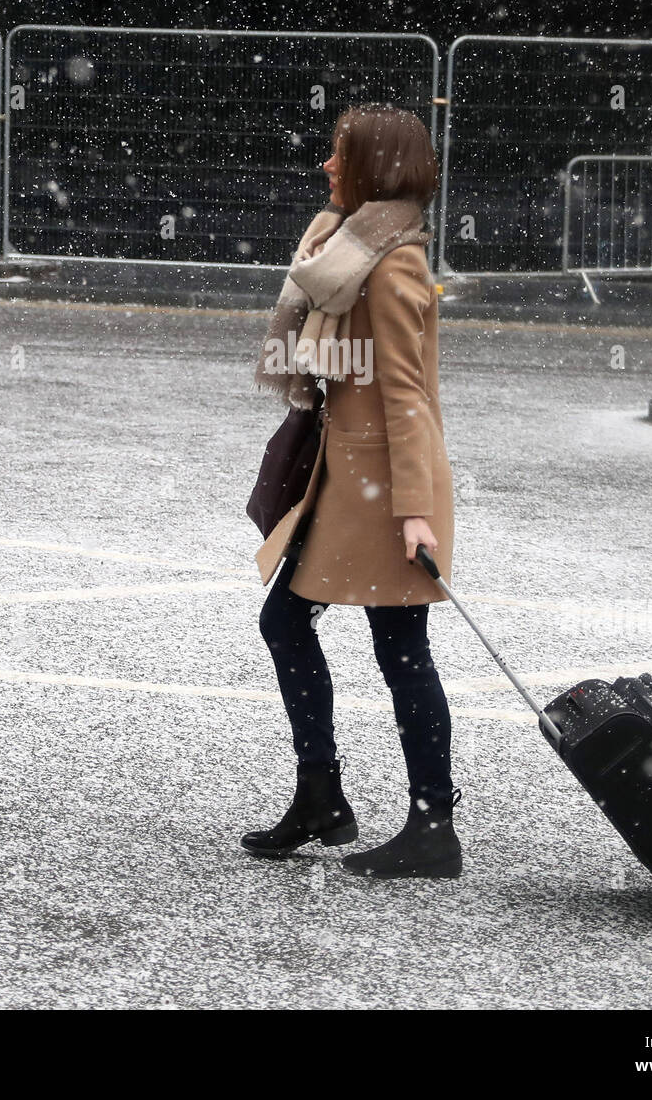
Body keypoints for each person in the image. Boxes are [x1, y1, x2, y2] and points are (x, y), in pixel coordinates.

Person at [245, 103, 460, 879]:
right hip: (342, 477)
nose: (327, 167)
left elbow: (406, 394)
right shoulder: (343, 250)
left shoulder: (393, 263)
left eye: (340, 156)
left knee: (400, 649)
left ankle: (430, 824)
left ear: (374, 166)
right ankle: (321, 796)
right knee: (287, 623)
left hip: (385, 488)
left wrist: (415, 515)